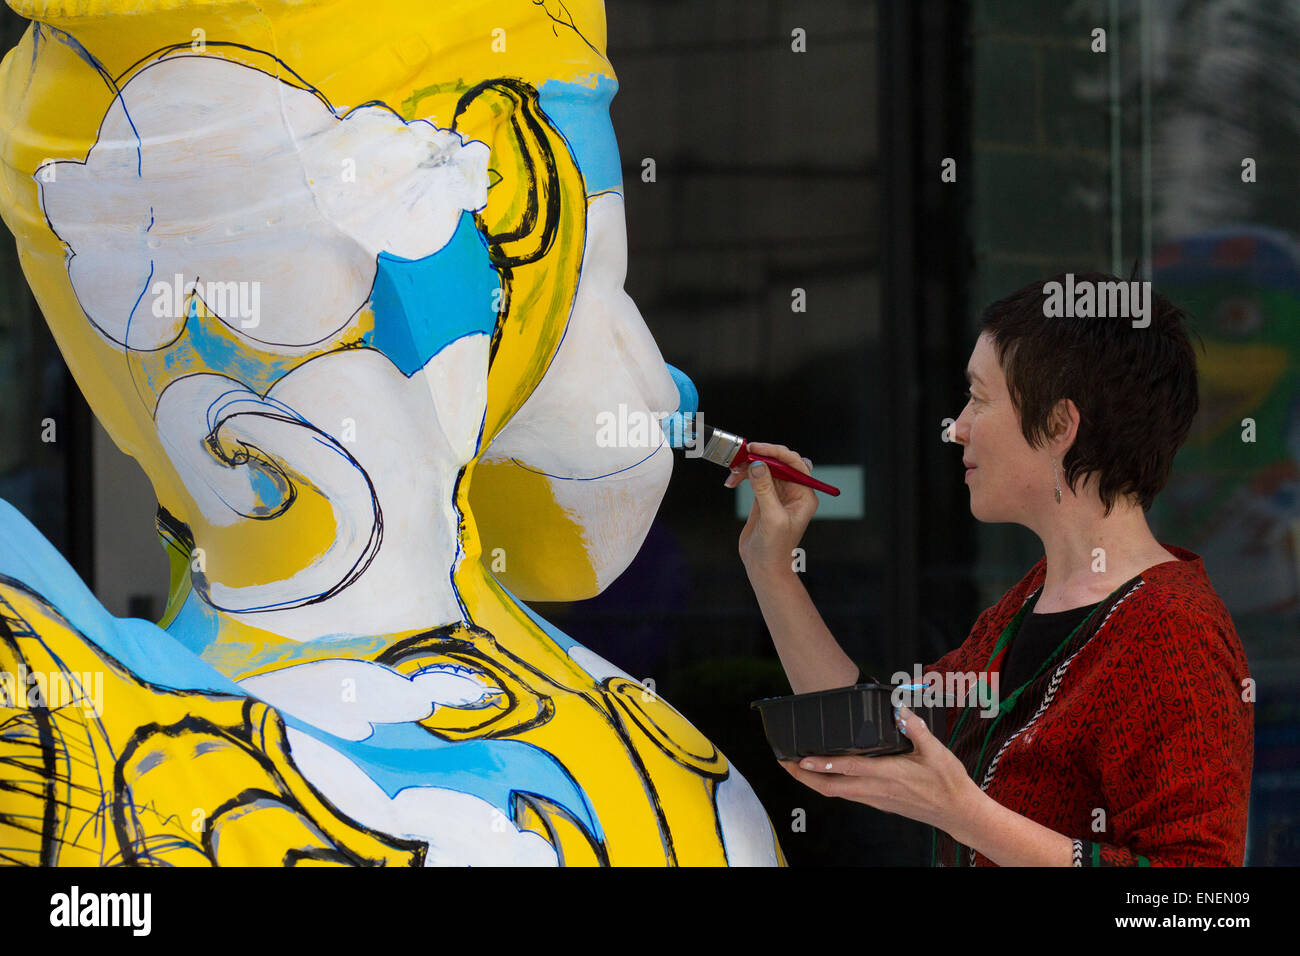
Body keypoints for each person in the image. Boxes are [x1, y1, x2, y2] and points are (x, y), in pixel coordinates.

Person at [728, 273, 1254, 866]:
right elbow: (869, 735)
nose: (956, 427)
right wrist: (771, 567)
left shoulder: (1172, 632)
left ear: (1060, 426)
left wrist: (964, 814)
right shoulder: (1030, 602)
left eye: (978, 398)